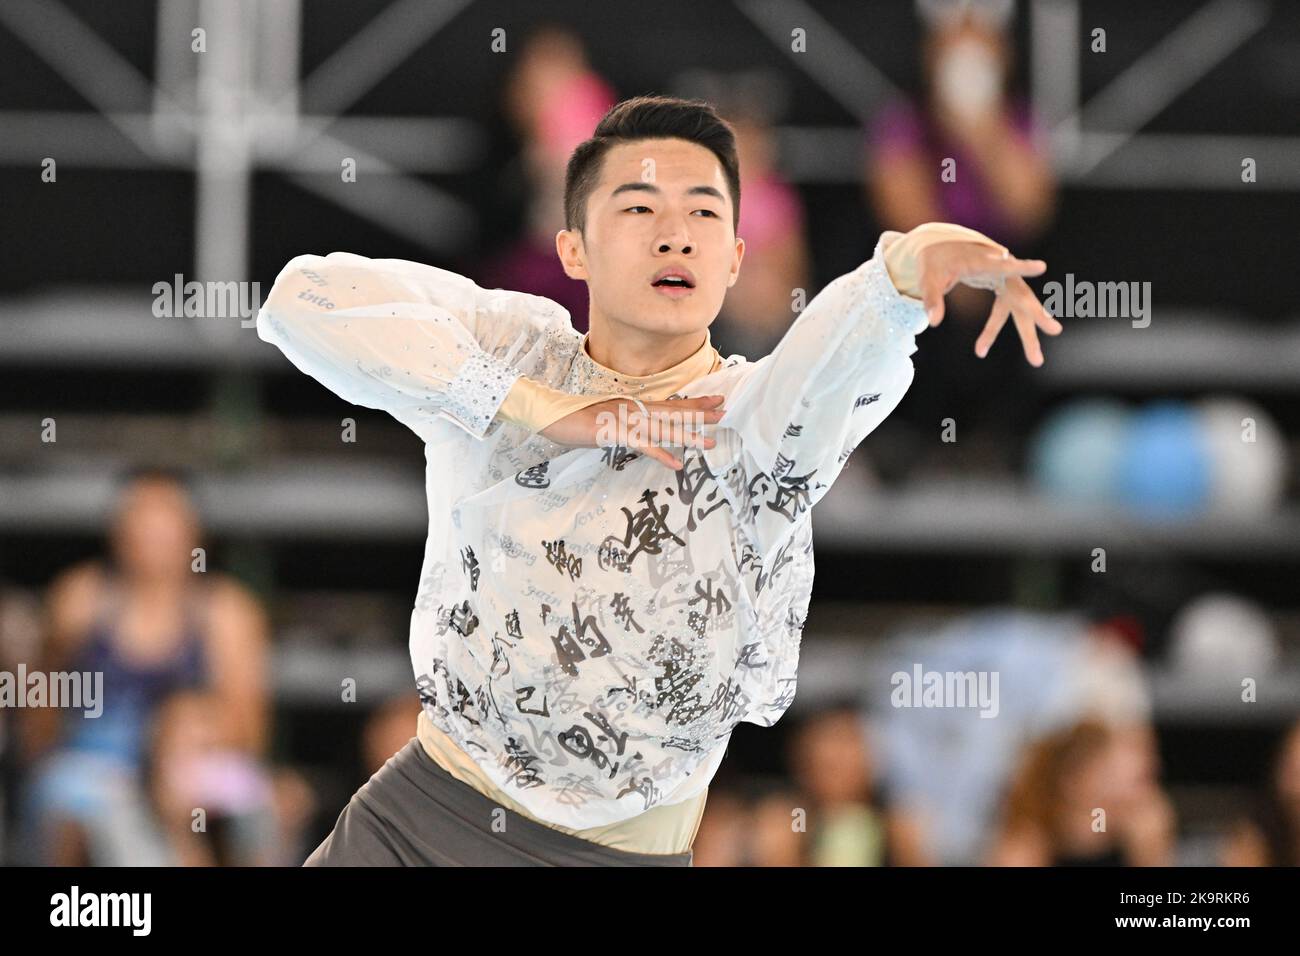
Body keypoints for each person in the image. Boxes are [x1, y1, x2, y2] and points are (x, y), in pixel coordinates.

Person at [256, 94, 1060, 866]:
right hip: (418, 820)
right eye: (640, 209)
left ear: (737, 256)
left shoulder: (750, 420)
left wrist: (904, 268)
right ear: (574, 246)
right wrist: (539, 410)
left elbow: (838, 353)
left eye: (705, 213)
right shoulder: (519, 351)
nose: (676, 235)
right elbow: (302, 298)